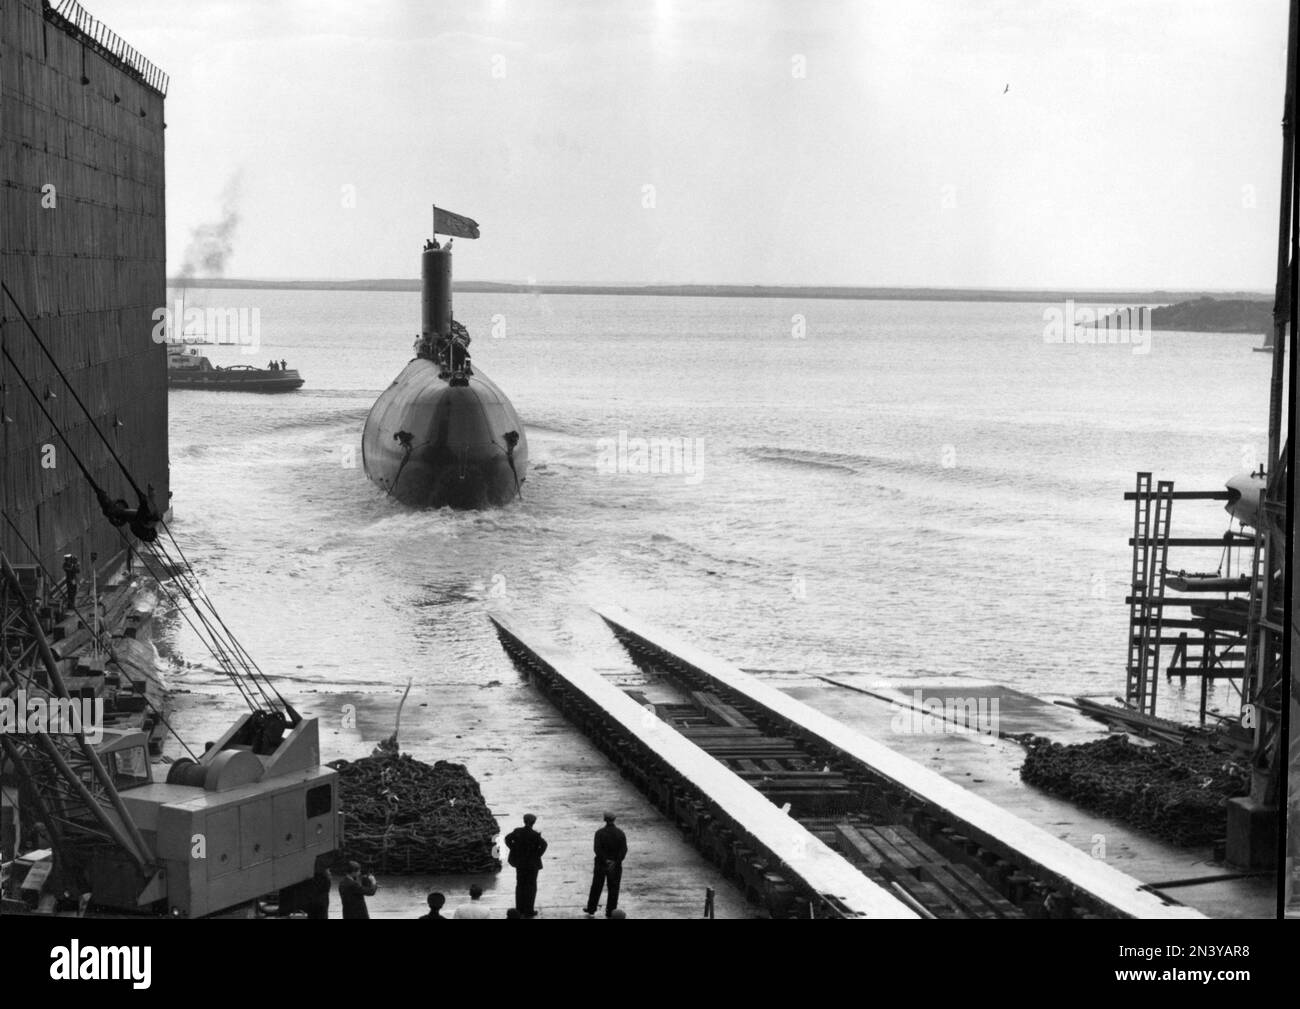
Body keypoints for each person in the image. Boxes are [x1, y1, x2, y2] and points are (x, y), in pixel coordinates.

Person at [503, 812, 547, 917]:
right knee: (531, 887)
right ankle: (529, 910)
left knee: (520, 886)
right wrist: (537, 855)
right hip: (532, 865)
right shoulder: (535, 835)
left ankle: (519, 909)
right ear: (533, 822)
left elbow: (507, 839)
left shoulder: (518, 832)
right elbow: (544, 845)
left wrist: (513, 848)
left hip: (520, 864)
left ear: (524, 821)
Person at [584, 812, 628, 918]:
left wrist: (605, 860)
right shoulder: (620, 833)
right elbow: (624, 849)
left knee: (596, 886)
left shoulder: (599, 833)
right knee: (613, 888)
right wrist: (616, 861)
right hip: (615, 866)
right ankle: (611, 911)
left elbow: (597, 849)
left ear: (605, 820)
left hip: (601, 864)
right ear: (614, 819)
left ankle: (591, 909)